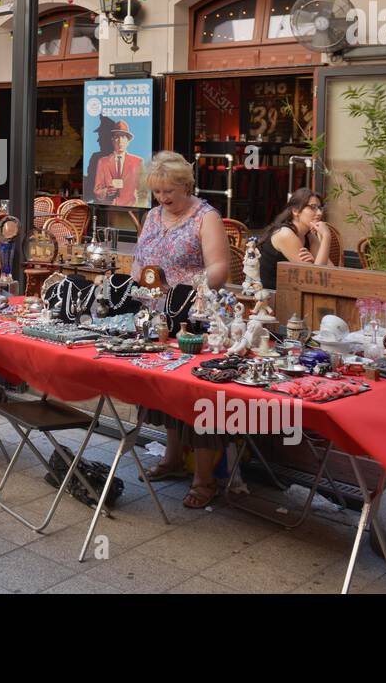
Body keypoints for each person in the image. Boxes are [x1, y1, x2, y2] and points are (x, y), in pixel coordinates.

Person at [131, 151, 230, 509]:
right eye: (157, 192)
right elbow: (140, 260)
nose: (162, 198)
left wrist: (186, 287)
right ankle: (173, 459)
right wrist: (138, 285)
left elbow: (220, 268)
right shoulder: (153, 216)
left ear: (186, 185)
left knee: (196, 394)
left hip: (194, 317)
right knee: (164, 389)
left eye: (169, 191)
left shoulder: (206, 217)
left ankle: (205, 479)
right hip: (156, 315)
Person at [257, 188, 333, 292]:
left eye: (320, 208)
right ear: (295, 210)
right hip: (269, 298)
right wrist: (326, 236)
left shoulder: (309, 236)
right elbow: (316, 280)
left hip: (293, 293)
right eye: (313, 207)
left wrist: (314, 262)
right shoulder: (285, 234)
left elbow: (331, 271)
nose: (319, 213)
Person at [92, 120, 145, 207]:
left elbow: (143, 191)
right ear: (112, 140)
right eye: (117, 137)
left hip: (132, 208)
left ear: (128, 141)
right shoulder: (103, 162)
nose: (120, 141)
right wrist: (106, 191)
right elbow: (97, 190)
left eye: (123, 137)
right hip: (108, 208)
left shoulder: (138, 162)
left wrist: (138, 206)